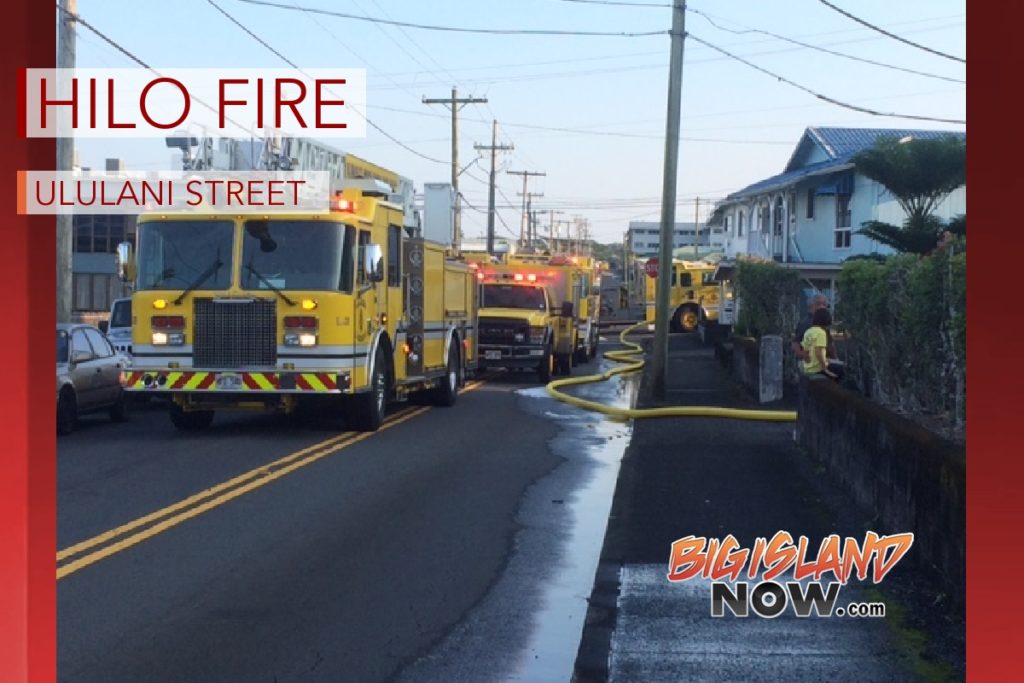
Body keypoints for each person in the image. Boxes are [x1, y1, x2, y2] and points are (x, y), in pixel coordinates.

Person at [801, 307, 842, 381]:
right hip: (818, 368)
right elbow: (819, 353)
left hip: (808, 368)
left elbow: (805, 352)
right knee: (842, 371)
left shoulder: (808, 332)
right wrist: (825, 368)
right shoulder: (821, 333)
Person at [792, 294, 832, 362]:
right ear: (810, 306)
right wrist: (805, 357)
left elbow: (831, 344)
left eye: (824, 304)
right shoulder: (805, 323)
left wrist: (836, 359)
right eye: (818, 304)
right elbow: (795, 344)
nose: (821, 307)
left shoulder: (825, 323)